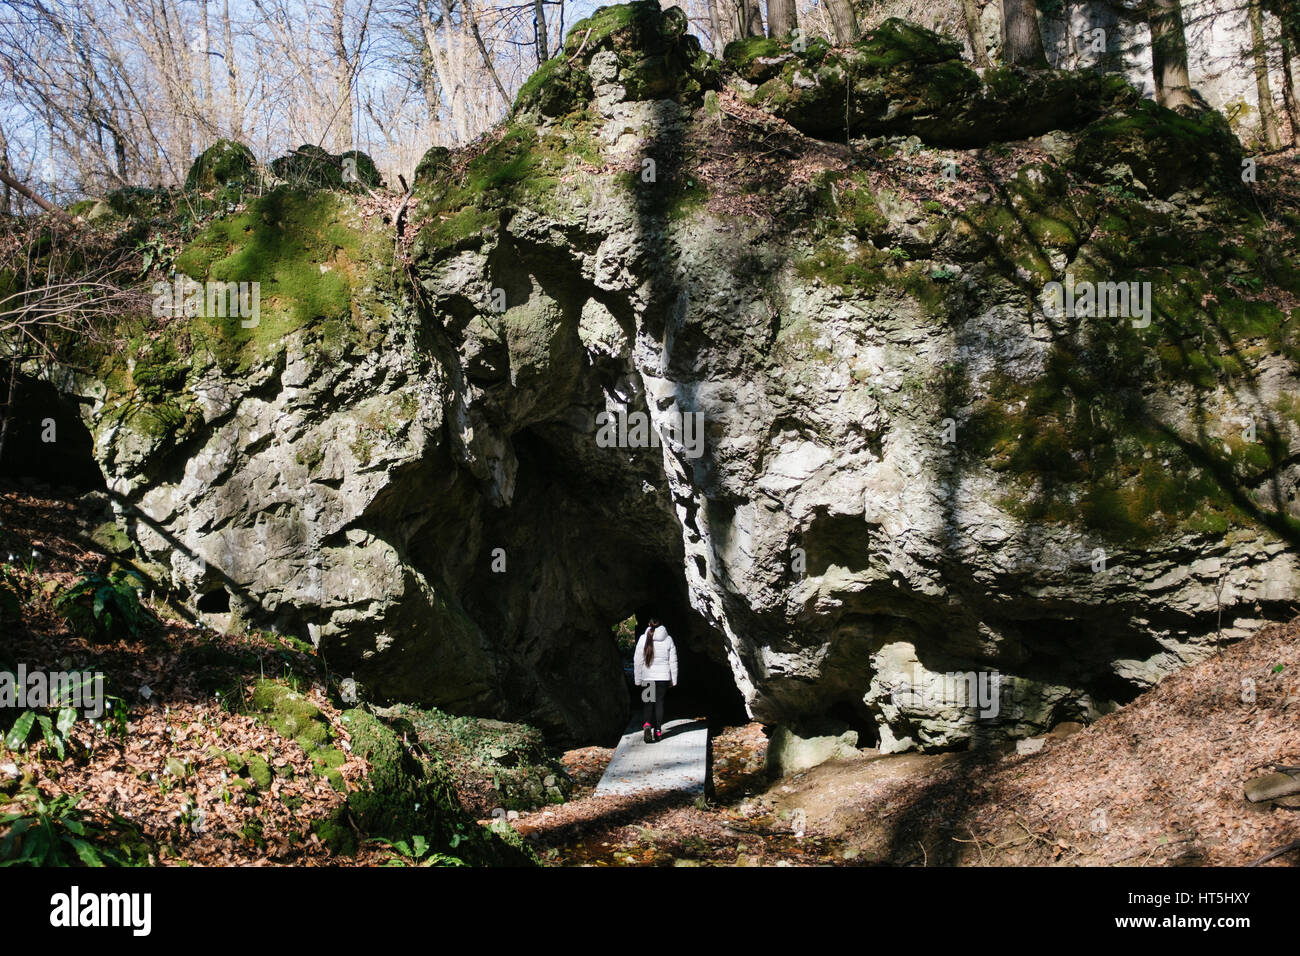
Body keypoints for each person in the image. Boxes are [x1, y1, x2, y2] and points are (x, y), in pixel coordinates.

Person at [633, 617, 677, 743]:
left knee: (648, 703)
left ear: (649, 624)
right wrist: (673, 679)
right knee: (659, 704)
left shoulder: (643, 638)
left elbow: (638, 660)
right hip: (662, 677)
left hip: (647, 677)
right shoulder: (668, 639)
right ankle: (658, 730)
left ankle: (647, 725)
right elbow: (672, 661)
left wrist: (637, 679)